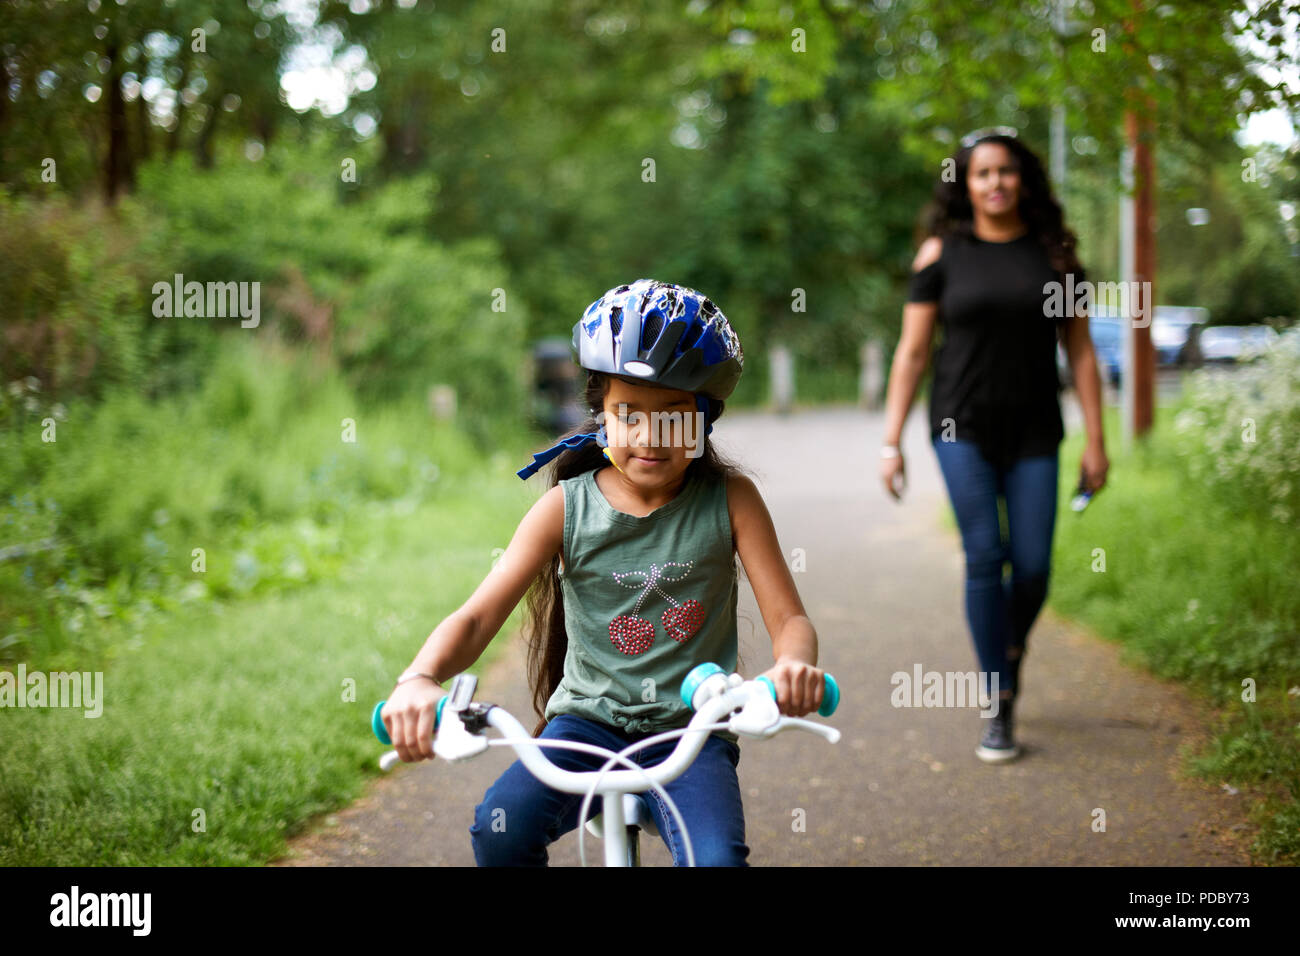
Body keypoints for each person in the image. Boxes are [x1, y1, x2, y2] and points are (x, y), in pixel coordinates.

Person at [380, 278, 827, 865]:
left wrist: (792, 667)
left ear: (705, 419)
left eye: (673, 417)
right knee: (501, 831)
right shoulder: (566, 508)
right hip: (585, 729)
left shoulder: (731, 498)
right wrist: (418, 678)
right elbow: (477, 616)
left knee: (715, 859)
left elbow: (789, 618)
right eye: (628, 413)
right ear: (599, 415)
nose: (648, 435)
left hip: (692, 734)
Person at [878, 129, 1109, 763]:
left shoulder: (1054, 255)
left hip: (1036, 428)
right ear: (966, 183)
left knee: (1032, 565)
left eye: (1007, 172)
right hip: (961, 426)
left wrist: (1097, 439)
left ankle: (1009, 646)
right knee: (988, 555)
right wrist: (890, 440)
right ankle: (997, 701)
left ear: (1024, 180)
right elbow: (914, 350)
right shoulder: (941, 254)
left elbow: (1082, 353)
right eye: (983, 174)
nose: (996, 183)